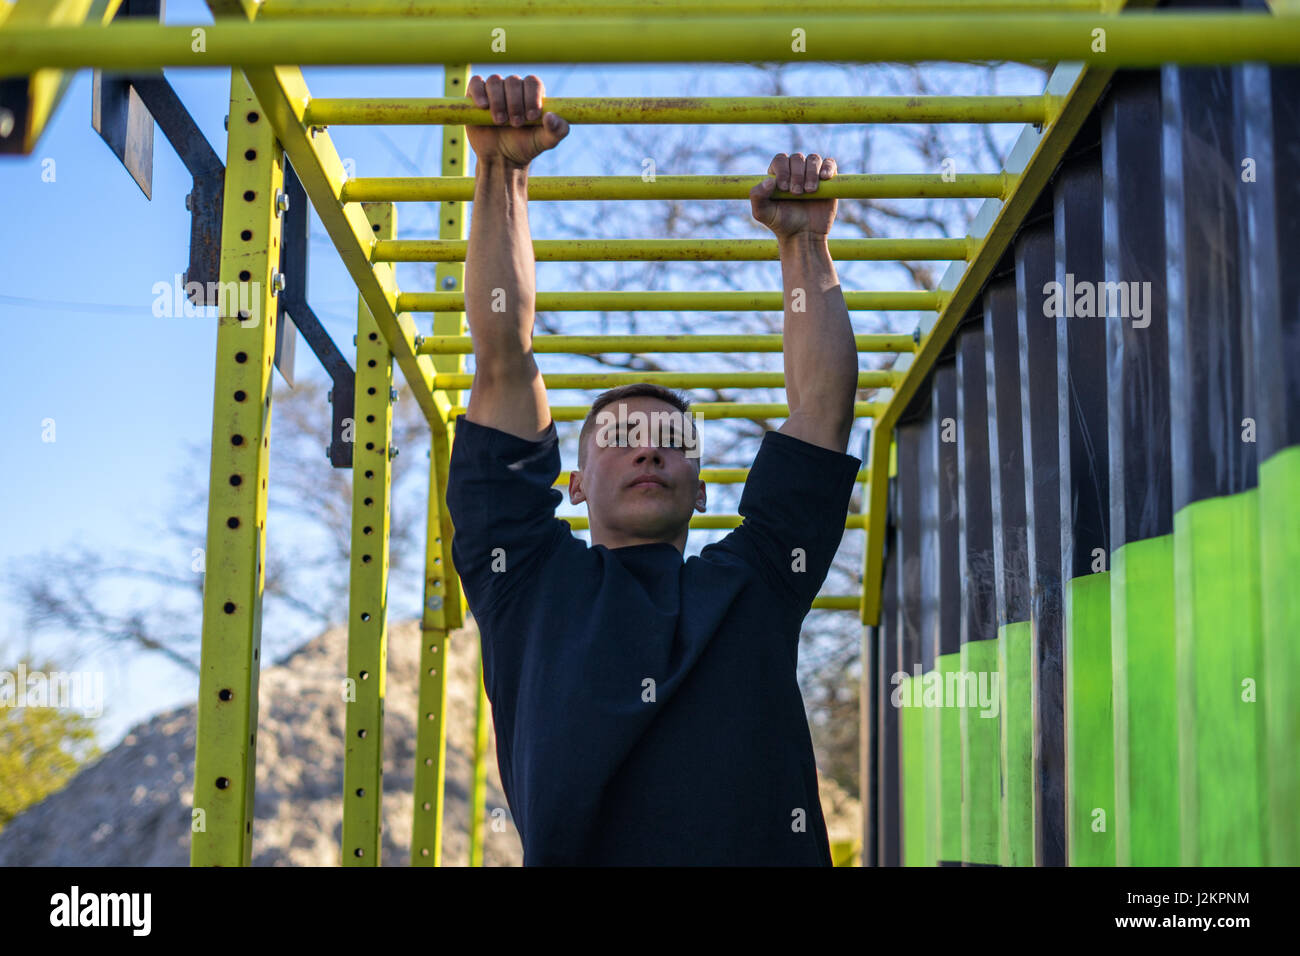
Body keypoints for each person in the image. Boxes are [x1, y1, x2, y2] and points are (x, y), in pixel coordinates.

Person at [446, 73, 861, 865]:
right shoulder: (525, 582)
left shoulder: (756, 582)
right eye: (621, 435)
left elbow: (822, 410)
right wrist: (502, 172)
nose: (646, 446)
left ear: (702, 488)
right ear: (573, 484)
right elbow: (505, 357)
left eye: (669, 438)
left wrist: (804, 245)